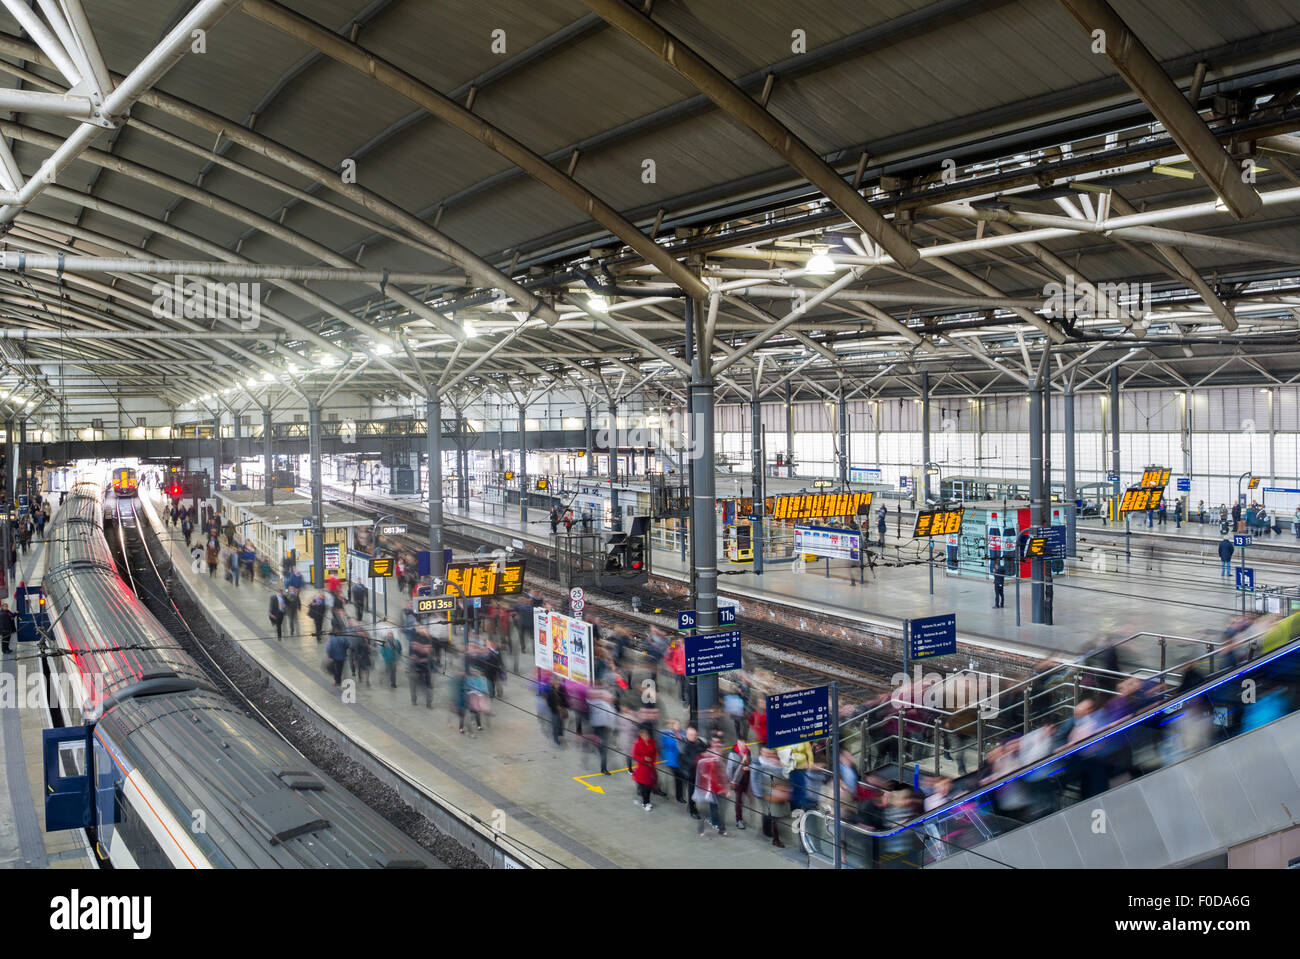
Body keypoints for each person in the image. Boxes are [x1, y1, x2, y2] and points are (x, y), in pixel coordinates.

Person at [694, 730, 729, 837]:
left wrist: (725, 786)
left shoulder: (722, 754)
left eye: (718, 742)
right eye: (714, 742)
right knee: (707, 809)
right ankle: (704, 829)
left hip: (719, 786)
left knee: (721, 808)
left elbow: (723, 771)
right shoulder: (706, 755)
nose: (716, 744)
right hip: (708, 787)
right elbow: (700, 768)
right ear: (711, 743)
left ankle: (721, 828)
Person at [588, 684, 616, 775]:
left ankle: (598, 747)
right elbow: (611, 717)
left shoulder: (597, 702)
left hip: (599, 727)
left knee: (602, 746)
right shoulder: (604, 704)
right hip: (602, 728)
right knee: (604, 750)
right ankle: (603, 768)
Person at [679, 725, 706, 820]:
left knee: (696, 792)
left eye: (695, 735)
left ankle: (692, 807)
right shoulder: (684, 745)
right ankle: (692, 810)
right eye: (691, 735)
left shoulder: (697, 742)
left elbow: (705, 747)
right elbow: (683, 760)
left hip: (698, 773)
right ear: (687, 735)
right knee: (692, 793)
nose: (694, 737)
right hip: (690, 774)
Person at [632, 723, 658, 811]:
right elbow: (635, 756)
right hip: (642, 769)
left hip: (650, 768)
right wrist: (644, 758)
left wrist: (652, 762)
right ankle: (645, 803)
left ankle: (648, 801)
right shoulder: (637, 744)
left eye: (647, 735)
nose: (646, 737)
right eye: (644, 735)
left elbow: (654, 753)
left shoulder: (652, 741)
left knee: (649, 786)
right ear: (641, 736)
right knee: (644, 787)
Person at [726, 736, 751, 830]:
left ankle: (748, 816)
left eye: (744, 744)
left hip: (746, 778)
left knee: (748, 798)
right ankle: (739, 820)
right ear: (737, 743)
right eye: (740, 744)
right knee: (739, 800)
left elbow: (749, 762)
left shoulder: (748, 751)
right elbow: (729, 769)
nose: (743, 746)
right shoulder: (732, 754)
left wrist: (748, 767)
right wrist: (731, 782)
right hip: (737, 781)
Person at [408, 631, 433, 707]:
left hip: (415, 669)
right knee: (427, 687)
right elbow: (430, 659)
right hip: (424, 669)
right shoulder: (428, 646)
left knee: (413, 686)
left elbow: (411, 657)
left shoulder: (413, 645)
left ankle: (414, 700)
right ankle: (428, 703)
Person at [545, 674, 568, 746]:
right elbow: (549, 703)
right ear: (553, 684)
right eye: (556, 684)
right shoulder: (550, 692)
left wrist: (563, 707)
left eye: (558, 684)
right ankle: (556, 739)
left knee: (561, 724)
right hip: (554, 711)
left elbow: (565, 700)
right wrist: (556, 707)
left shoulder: (561, 690)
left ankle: (560, 735)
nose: (557, 685)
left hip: (561, 711)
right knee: (555, 725)